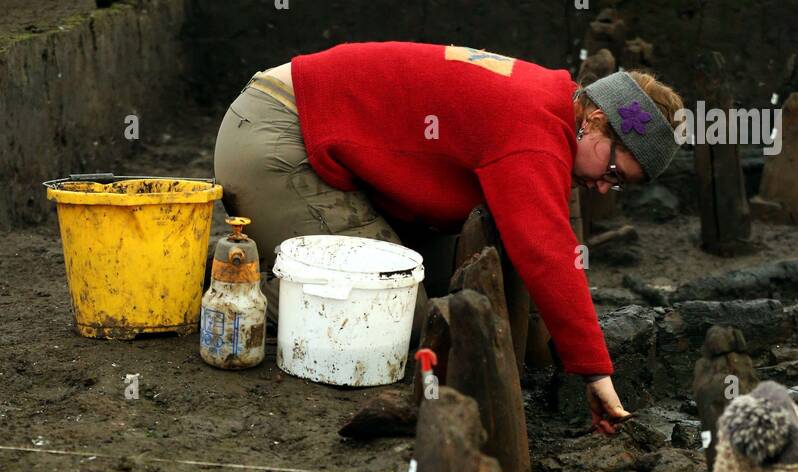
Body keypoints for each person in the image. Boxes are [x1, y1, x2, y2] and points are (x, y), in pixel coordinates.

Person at [214, 42, 682, 434]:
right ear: (597, 119)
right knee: (397, 322)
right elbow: (546, 253)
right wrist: (595, 371)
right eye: (614, 171)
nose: (604, 187)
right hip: (280, 134)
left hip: (316, 135)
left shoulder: (551, 101)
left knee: (444, 298)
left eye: (620, 183)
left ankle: (243, 279)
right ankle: (226, 294)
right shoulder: (534, 132)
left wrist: (551, 353)